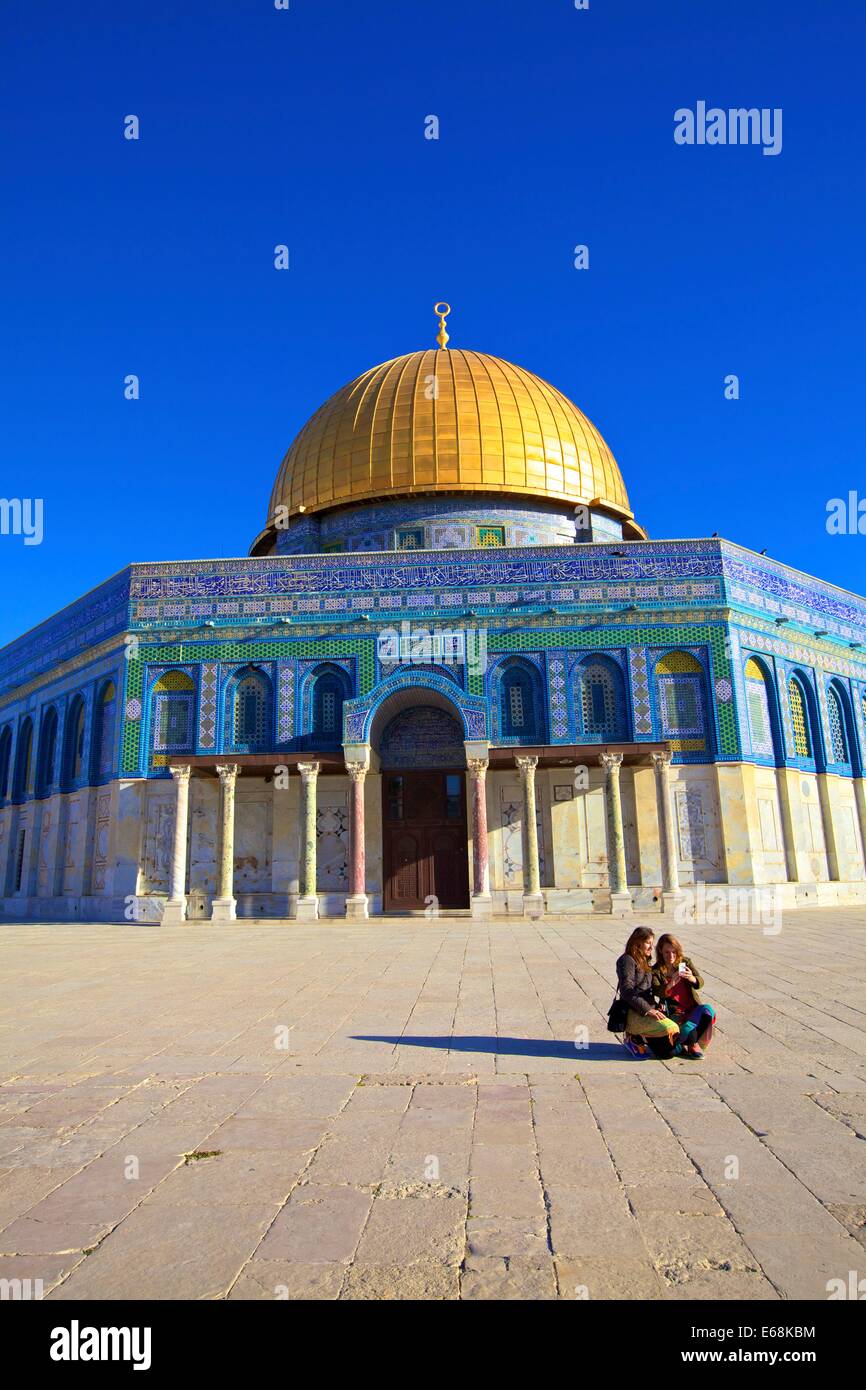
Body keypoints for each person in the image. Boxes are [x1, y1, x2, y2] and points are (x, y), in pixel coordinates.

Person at [615, 926, 680, 1060]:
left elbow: (652, 990)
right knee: (672, 1028)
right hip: (634, 1011)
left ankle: (640, 1037)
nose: (651, 947)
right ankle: (632, 1036)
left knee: (668, 1053)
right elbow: (627, 991)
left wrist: (668, 989)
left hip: (649, 1009)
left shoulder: (645, 961)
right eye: (648, 943)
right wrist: (648, 1010)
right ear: (637, 943)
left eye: (652, 943)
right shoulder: (626, 960)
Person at [652, 933, 716, 1059]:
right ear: (660, 951)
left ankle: (692, 1043)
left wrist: (692, 978)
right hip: (674, 1013)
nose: (671, 956)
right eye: (667, 952)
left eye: (674, 952)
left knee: (708, 1010)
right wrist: (670, 985)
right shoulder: (656, 970)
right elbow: (656, 991)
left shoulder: (685, 962)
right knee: (686, 1033)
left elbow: (700, 982)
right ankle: (688, 1043)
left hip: (691, 1009)